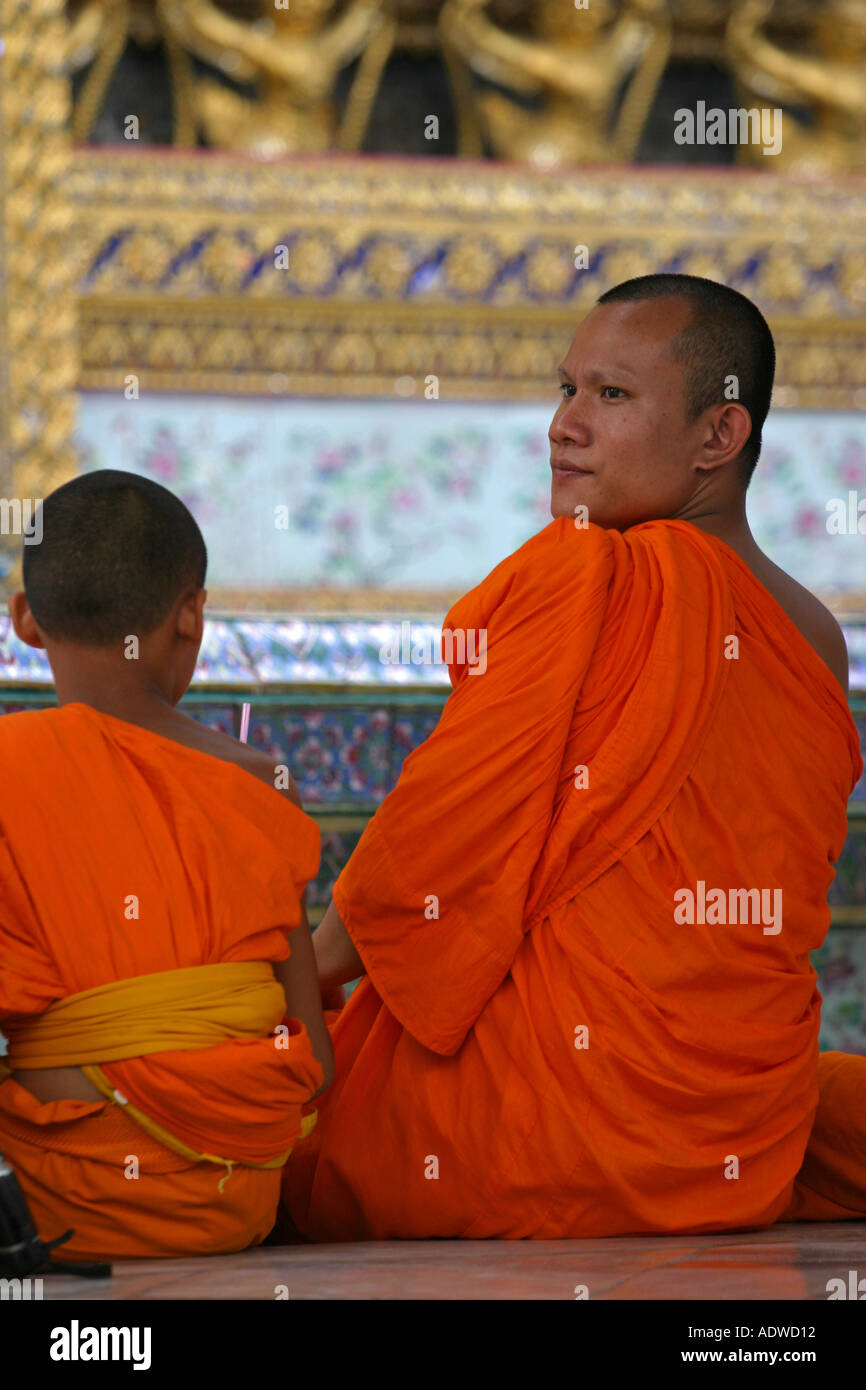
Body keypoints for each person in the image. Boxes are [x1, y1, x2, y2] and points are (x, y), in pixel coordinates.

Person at [283, 273, 865, 1240]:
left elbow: (442, 836)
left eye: (613, 396)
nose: (564, 427)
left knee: (252, 1115)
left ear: (719, 436)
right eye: (566, 390)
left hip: (529, 1139)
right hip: (726, 1141)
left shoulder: (591, 574)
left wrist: (301, 981)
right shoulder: (817, 638)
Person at [0, 470, 333, 1260]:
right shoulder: (258, 785)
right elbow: (314, 1060)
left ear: (25, 623)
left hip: (56, 1205)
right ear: (191, 614)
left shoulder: (13, 770)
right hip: (233, 1202)